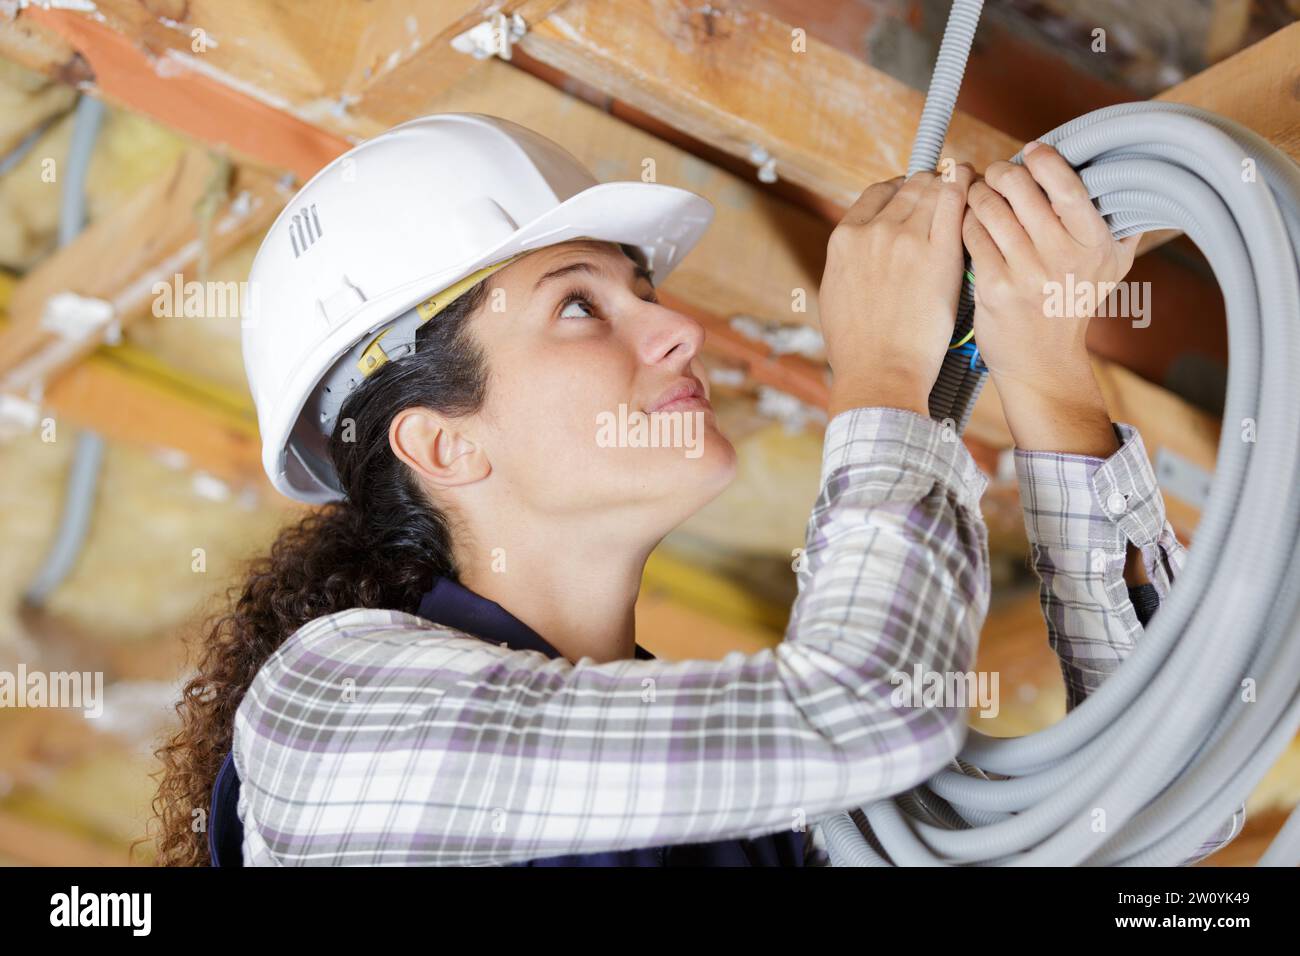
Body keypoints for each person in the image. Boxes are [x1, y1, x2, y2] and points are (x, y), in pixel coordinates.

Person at [150, 114, 1240, 866]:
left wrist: (1048, 385)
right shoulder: (327, 711)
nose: (680, 328)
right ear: (440, 443)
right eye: (579, 305)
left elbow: (1151, 829)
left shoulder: (746, 801)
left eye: (642, 290)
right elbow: (868, 705)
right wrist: (876, 378)